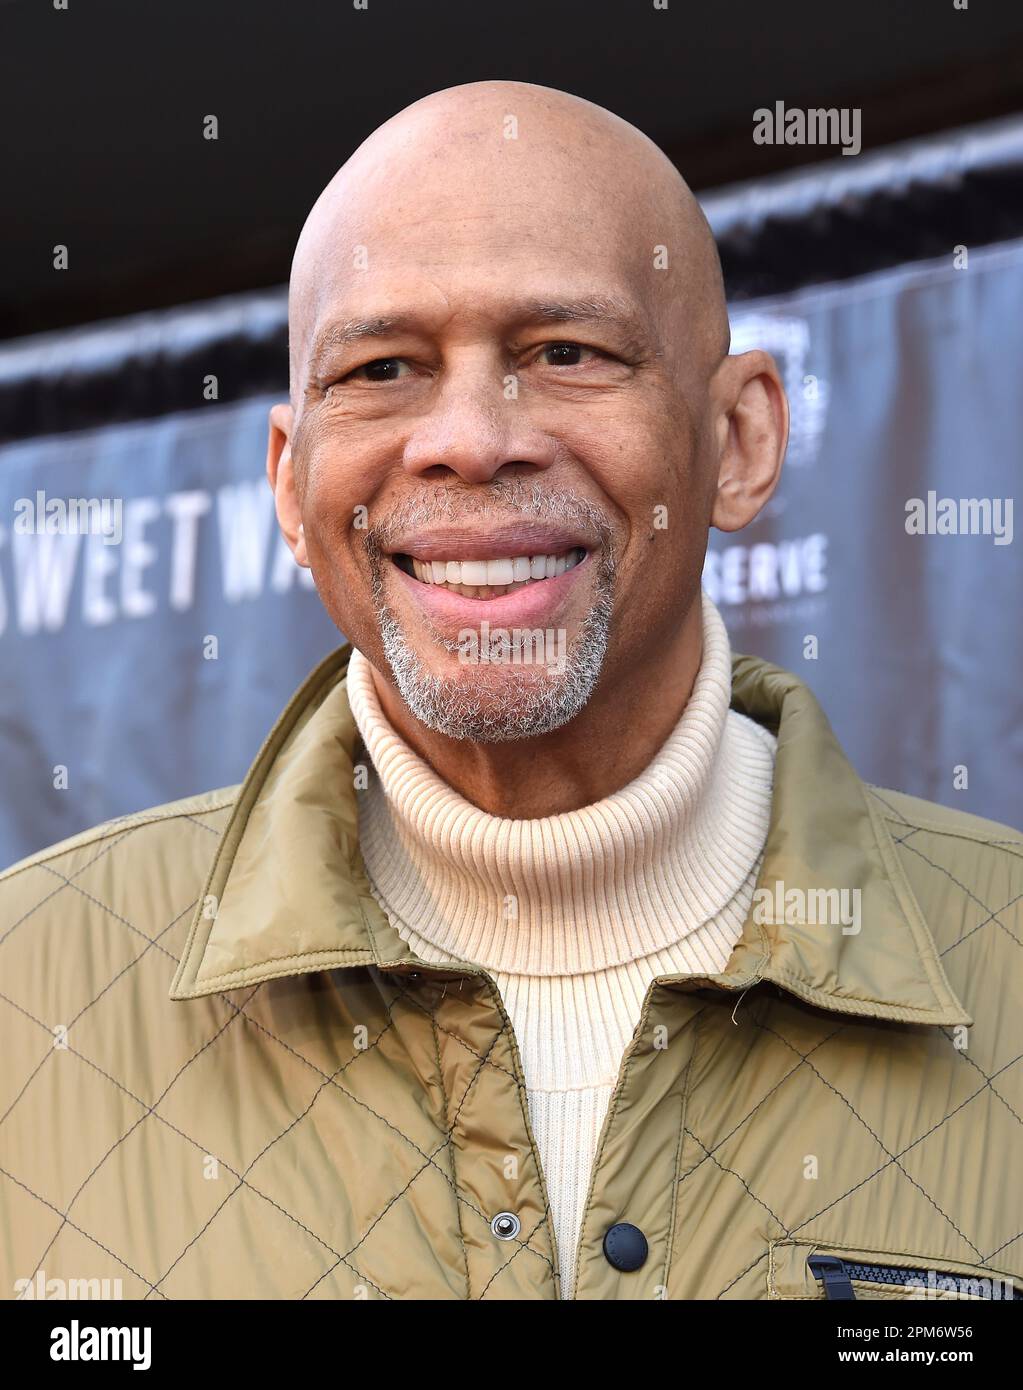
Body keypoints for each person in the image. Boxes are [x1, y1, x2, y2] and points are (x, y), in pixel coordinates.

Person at [2, 81, 1020, 1303]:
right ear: (289, 486)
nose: (473, 439)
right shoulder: (28, 994)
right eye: (382, 368)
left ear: (741, 440)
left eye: (566, 353)